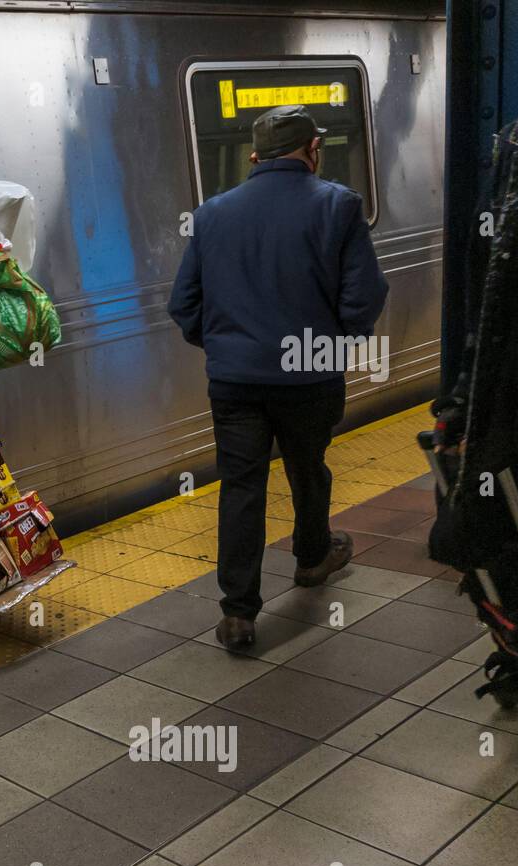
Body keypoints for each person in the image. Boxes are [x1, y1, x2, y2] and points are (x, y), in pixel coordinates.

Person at [167, 104, 389, 650]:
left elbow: (183, 303)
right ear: (313, 150)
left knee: (241, 487)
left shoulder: (212, 212)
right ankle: (312, 559)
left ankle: (239, 613)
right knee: (308, 468)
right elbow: (365, 298)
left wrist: (225, 346)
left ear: (253, 156)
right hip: (309, 373)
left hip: (235, 380)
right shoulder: (339, 206)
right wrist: (333, 345)